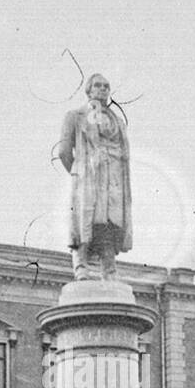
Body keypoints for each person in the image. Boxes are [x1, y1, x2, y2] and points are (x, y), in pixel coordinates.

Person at [58, 73, 133, 280]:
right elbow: (64, 151)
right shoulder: (75, 116)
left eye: (106, 86)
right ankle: (80, 265)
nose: (103, 89)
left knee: (109, 222)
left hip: (114, 180)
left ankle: (109, 269)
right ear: (89, 90)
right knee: (84, 220)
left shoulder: (118, 122)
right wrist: (78, 174)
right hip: (86, 178)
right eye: (98, 85)